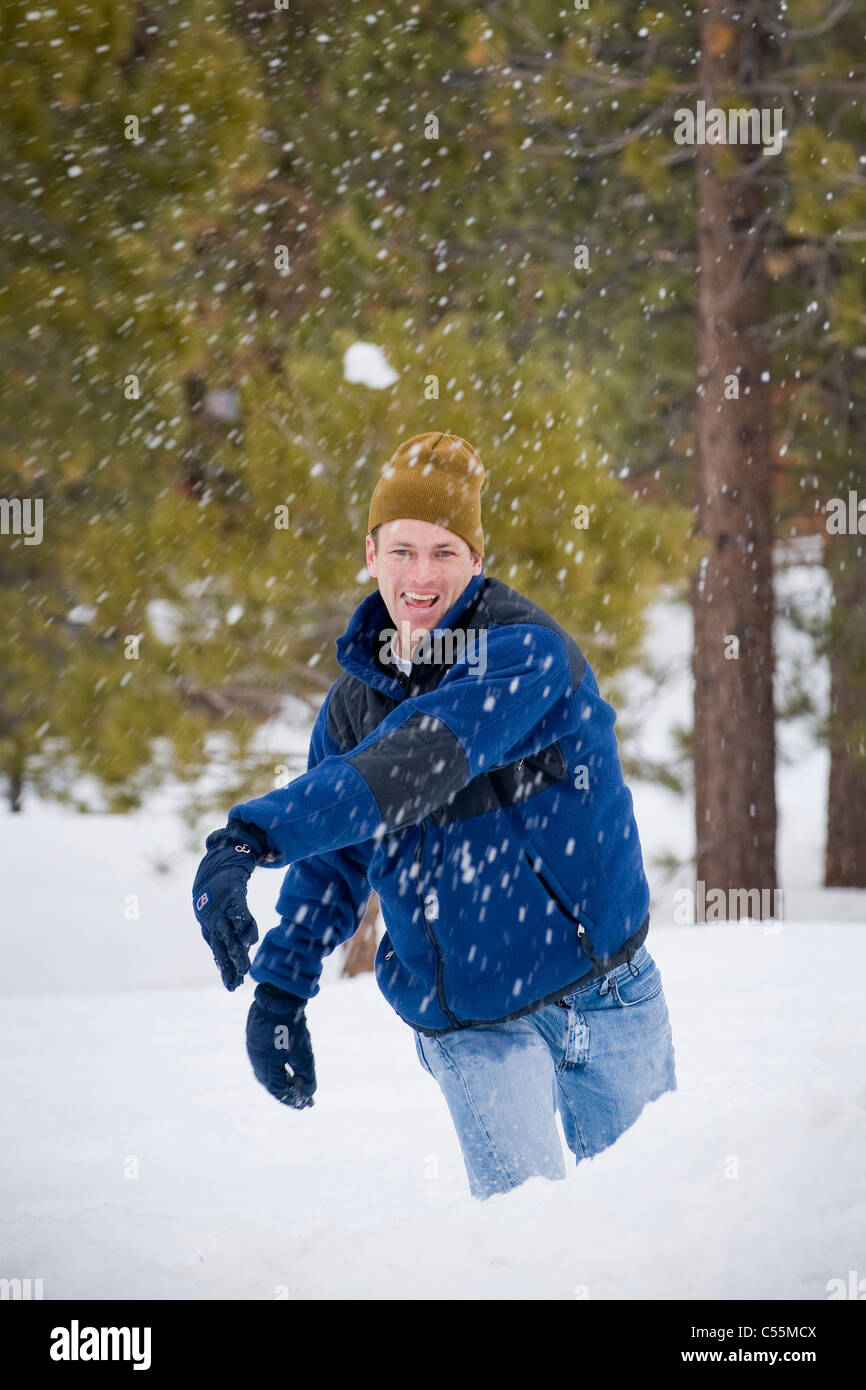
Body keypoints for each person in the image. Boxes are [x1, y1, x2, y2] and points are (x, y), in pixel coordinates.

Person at [192, 430, 677, 1200]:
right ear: (371, 553)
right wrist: (280, 988)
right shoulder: (353, 706)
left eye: (446, 552)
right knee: (528, 1251)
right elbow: (338, 859)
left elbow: (412, 766)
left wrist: (252, 834)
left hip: (604, 994)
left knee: (664, 1235)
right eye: (404, 550)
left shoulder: (526, 654)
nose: (423, 576)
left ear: (477, 562)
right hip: (472, 1023)